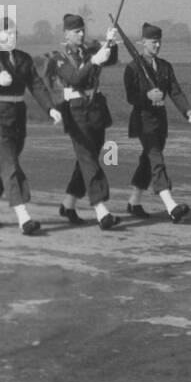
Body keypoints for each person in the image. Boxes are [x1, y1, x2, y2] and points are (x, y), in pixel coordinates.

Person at [0, 19, 62, 235]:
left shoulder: (23, 58)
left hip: (17, 118)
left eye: (14, 33)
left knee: (5, 165)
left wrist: (50, 108)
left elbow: (36, 84)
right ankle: (24, 218)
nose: (11, 37)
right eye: (7, 34)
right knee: (11, 167)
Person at [45, 13, 121, 230]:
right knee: (88, 158)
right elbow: (74, 78)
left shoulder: (89, 51)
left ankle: (68, 204)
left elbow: (111, 59)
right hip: (75, 111)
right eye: (76, 31)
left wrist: (111, 43)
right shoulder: (58, 57)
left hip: (95, 108)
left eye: (82, 30)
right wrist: (94, 61)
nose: (81, 34)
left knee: (87, 157)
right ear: (66, 34)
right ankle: (101, 209)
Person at [122, 22, 191, 222]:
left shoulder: (165, 67)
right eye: (153, 42)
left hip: (160, 120)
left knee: (148, 161)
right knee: (156, 160)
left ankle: (134, 202)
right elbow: (131, 97)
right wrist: (147, 96)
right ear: (142, 42)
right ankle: (171, 206)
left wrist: (186, 110)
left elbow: (175, 91)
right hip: (143, 120)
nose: (157, 46)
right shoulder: (132, 68)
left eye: (159, 42)